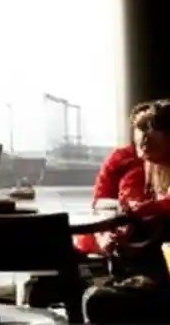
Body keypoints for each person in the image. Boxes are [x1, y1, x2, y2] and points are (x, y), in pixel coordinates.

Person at [83, 99, 170, 323]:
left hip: (154, 268)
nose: (145, 137)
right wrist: (105, 237)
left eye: (153, 129)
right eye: (141, 129)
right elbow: (100, 207)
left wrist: (140, 213)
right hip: (135, 262)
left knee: (97, 300)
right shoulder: (125, 163)